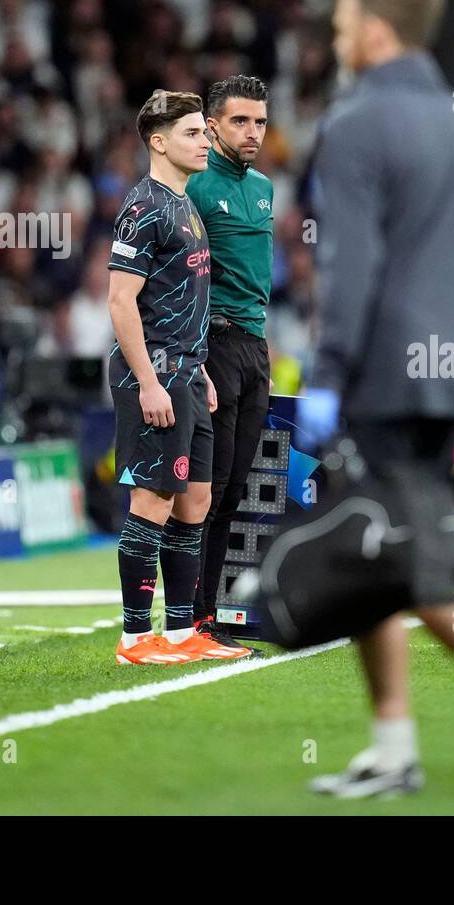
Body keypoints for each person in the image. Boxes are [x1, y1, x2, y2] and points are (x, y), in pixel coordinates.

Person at [291, 0, 454, 797]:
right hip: (447, 370)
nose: (335, 32)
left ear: (377, 27)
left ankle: (417, 728)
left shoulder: (355, 123)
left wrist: (325, 375)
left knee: (371, 547)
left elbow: (349, 268)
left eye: (344, 18)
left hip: (380, 371)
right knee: (398, 546)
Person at [107, 90, 250, 665]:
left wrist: (202, 375)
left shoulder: (185, 204)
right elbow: (121, 302)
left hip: (189, 374)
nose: (205, 141)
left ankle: (183, 629)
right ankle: (135, 638)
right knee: (153, 499)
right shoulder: (143, 207)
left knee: (194, 502)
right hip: (155, 375)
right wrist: (148, 381)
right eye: (193, 133)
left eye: (204, 132)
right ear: (158, 142)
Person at [184, 75, 275, 656]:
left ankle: (208, 614)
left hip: (256, 346)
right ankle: (186, 617)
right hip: (213, 344)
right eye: (241, 121)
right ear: (213, 125)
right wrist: (193, 359)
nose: (253, 133)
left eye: (261, 122)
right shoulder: (192, 187)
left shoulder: (265, 187)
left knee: (235, 489)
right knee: (203, 492)